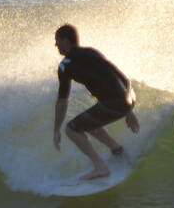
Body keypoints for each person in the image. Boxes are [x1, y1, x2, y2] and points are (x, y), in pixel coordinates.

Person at [52, 24, 139, 180]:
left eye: (57, 40)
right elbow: (118, 76)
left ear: (66, 40)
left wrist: (56, 129)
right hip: (128, 96)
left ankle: (100, 167)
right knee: (89, 123)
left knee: (71, 129)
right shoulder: (91, 52)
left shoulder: (65, 66)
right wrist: (129, 108)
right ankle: (118, 151)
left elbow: (62, 101)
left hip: (116, 102)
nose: (55, 45)